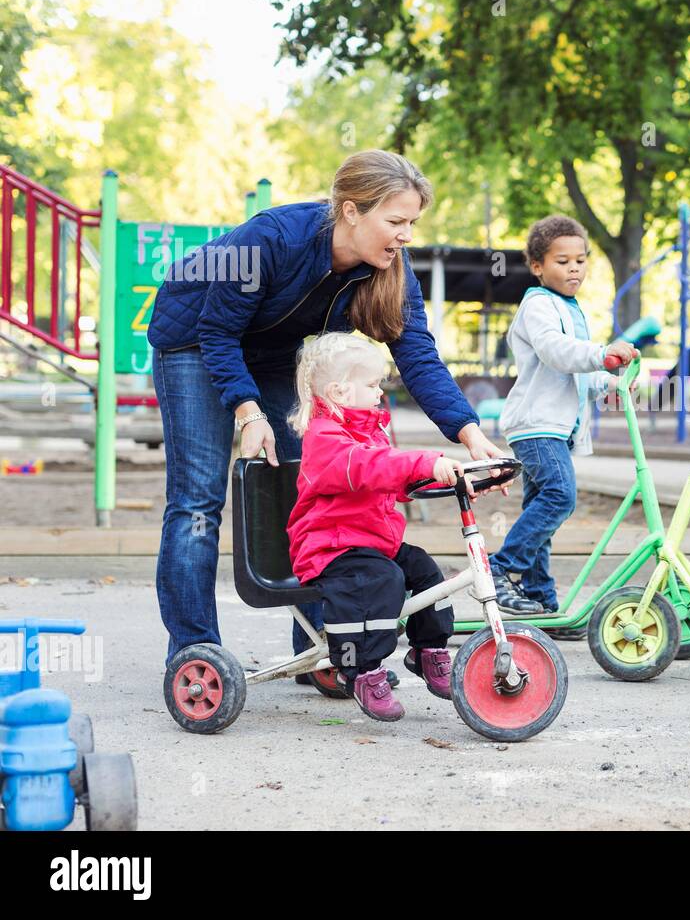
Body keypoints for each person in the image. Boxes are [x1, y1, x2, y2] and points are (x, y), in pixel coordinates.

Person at [146, 149, 506, 669]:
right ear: (352, 211)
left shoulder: (390, 267)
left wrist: (469, 433)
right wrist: (249, 413)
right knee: (197, 500)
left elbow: (418, 354)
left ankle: (319, 647)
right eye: (396, 220)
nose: (406, 234)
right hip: (196, 344)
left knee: (312, 484)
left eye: (413, 223)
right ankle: (194, 652)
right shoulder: (271, 237)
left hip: (274, 352)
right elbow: (219, 332)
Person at [286, 333, 460, 721]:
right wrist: (422, 462)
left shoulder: (369, 431)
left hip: (371, 541)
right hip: (332, 547)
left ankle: (428, 649)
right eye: (371, 384)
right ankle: (364, 669)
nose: (379, 391)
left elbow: (393, 478)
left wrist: (447, 478)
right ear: (339, 391)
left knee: (425, 569)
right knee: (379, 579)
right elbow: (367, 468)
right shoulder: (325, 439)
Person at [490, 215, 637, 614]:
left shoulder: (570, 308)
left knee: (541, 509)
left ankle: (539, 597)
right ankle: (499, 570)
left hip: (552, 429)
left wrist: (610, 383)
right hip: (535, 427)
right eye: (562, 260)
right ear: (538, 266)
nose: (574, 268)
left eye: (581, 260)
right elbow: (556, 351)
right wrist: (600, 354)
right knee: (560, 496)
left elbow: (575, 376)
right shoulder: (538, 305)